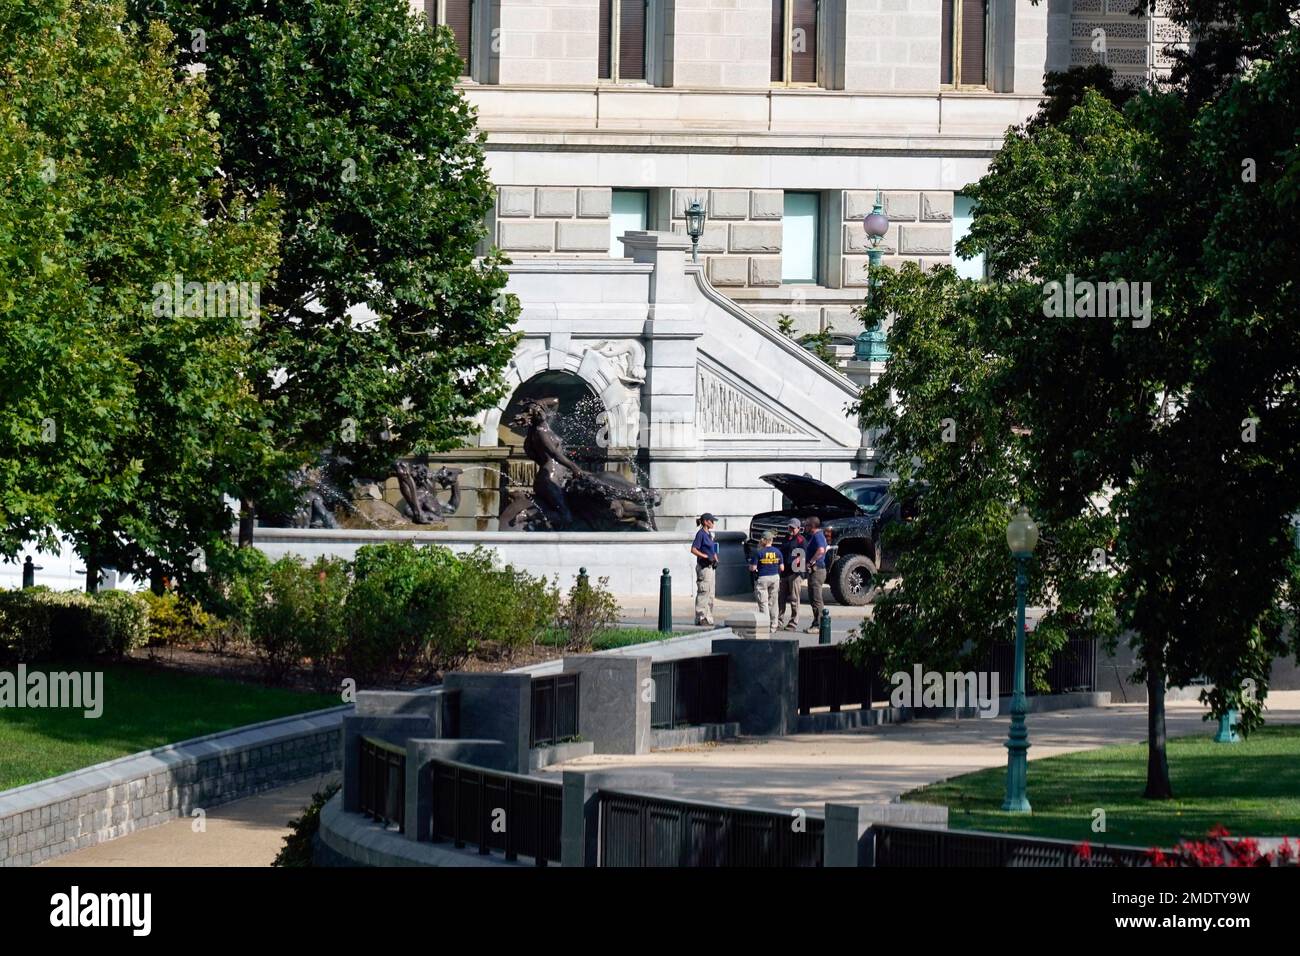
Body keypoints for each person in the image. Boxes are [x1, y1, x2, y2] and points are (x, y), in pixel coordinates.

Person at [748, 530, 784, 631]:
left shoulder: (759, 552)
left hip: (763, 578)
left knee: (763, 602)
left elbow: (753, 568)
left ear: (763, 540)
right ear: (771, 540)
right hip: (775, 577)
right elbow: (782, 568)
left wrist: (750, 566)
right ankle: (774, 625)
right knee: (773, 602)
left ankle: (765, 624)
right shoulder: (777, 552)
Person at [690, 512, 720, 626]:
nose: (713, 523)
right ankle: (701, 617)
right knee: (703, 592)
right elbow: (693, 549)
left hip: (711, 567)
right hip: (704, 567)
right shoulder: (701, 534)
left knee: (710, 594)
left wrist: (715, 558)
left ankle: (708, 617)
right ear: (706, 522)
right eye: (711, 521)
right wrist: (705, 556)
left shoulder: (709, 534)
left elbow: (712, 549)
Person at [778, 517, 806, 631]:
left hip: (795, 573)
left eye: (793, 528)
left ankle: (793, 622)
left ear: (799, 528)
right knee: (781, 598)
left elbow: (802, 557)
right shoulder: (786, 538)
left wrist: (798, 573)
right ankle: (779, 621)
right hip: (785, 572)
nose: (791, 529)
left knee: (794, 599)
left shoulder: (801, 540)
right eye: (790, 527)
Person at [803, 516, 828, 633]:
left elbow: (821, 550)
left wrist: (811, 562)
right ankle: (815, 622)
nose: (805, 527)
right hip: (815, 570)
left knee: (816, 598)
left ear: (812, 526)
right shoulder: (816, 536)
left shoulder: (818, 536)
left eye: (807, 525)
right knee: (813, 598)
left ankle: (819, 625)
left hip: (817, 571)